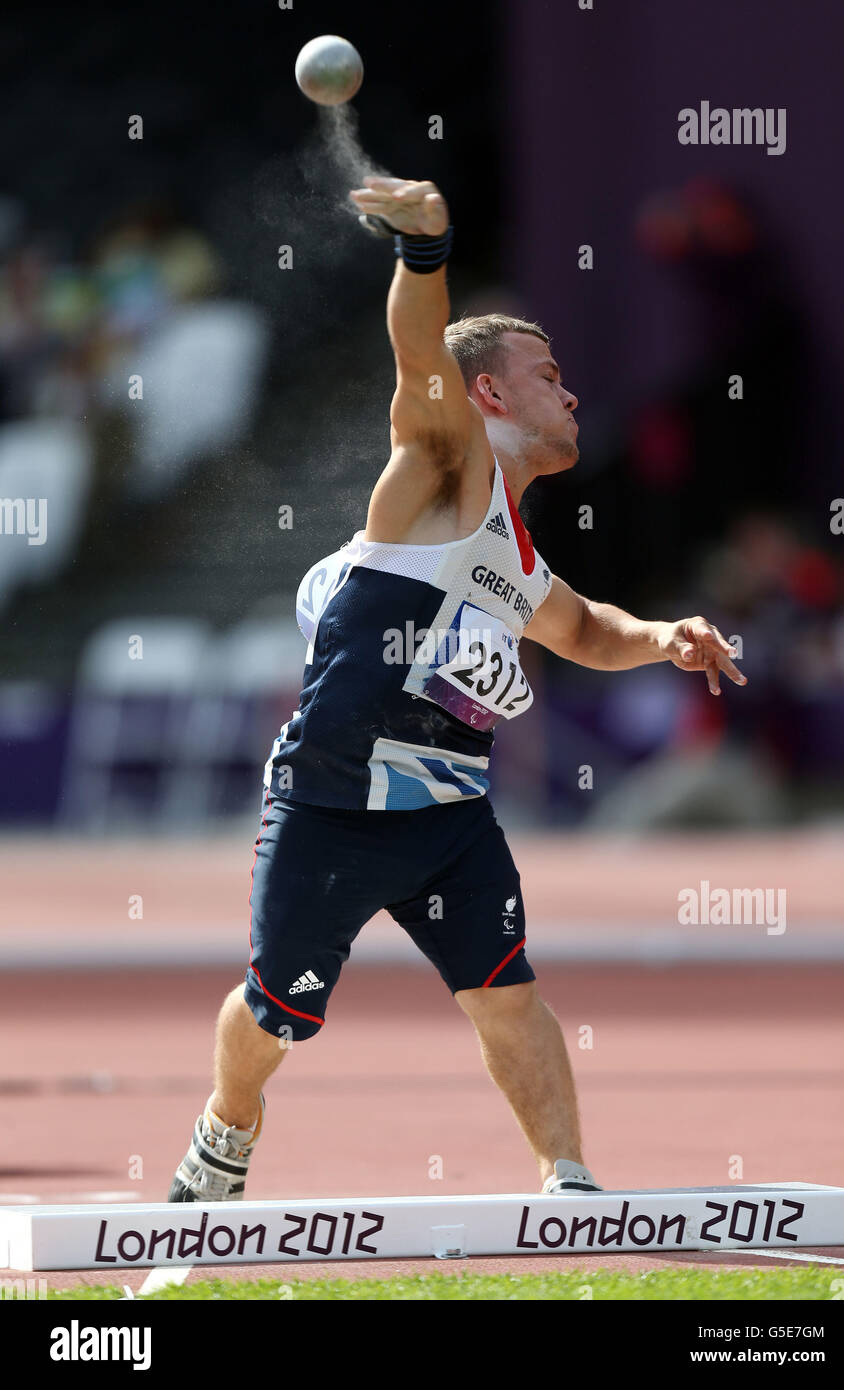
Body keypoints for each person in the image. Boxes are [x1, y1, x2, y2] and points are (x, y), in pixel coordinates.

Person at [169, 178, 746, 1204]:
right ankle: (226, 1125)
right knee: (275, 1011)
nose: (571, 394)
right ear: (488, 394)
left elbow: (583, 628)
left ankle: (568, 1185)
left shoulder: (520, 561)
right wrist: (425, 251)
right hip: (331, 804)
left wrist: (663, 635)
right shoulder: (441, 469)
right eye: (548, 375)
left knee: (507, 995)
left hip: (447, 815)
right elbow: (418, 356)